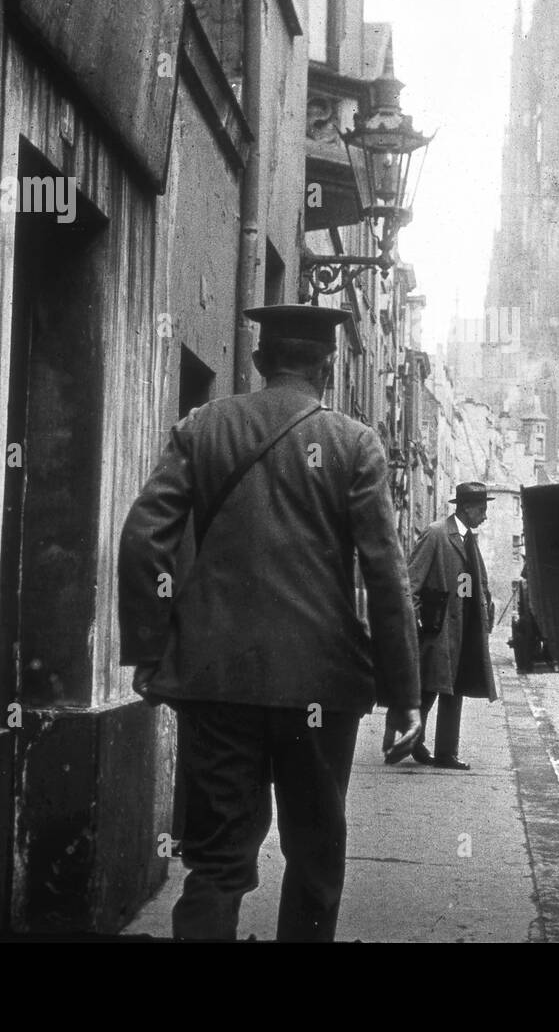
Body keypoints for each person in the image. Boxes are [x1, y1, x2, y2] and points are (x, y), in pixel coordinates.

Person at [117, 304, 420, 942]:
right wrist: (404, 696)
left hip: (216, 680)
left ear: (258, 363)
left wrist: (151, 649)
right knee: (314, 853)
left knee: (216, 860)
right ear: (330, 368)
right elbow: (387, 577)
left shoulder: (203, 427)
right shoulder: (355, 444)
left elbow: (145, 539)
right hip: (319, 684)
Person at [395, 482, 498, 770]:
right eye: (482, 509)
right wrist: (415, 620)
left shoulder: (468, 539)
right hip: (438, 627)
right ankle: (413, 739)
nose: (485, 516)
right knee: (429, 688)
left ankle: (445, 752)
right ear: (466, 508)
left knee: (455, 687)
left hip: (464, 628)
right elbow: (410, 582)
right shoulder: (437, 533)